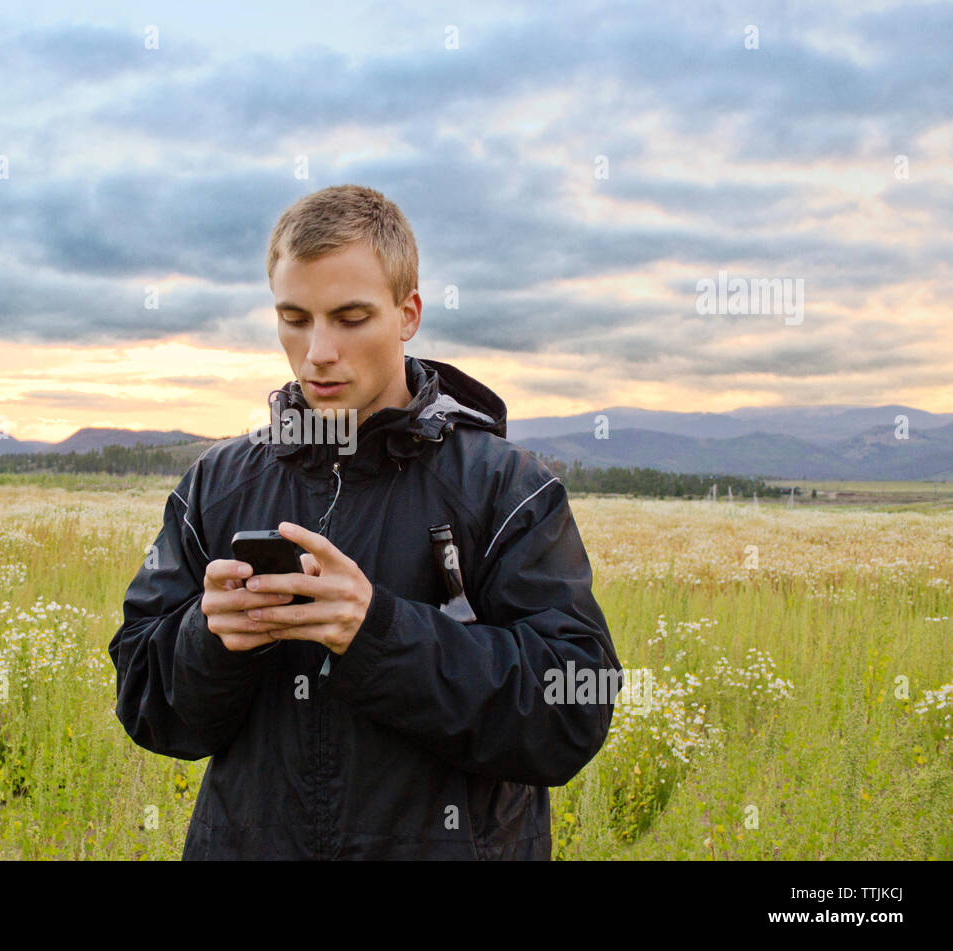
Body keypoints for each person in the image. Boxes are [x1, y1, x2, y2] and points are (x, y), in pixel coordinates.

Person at [109, 184, 622, 859]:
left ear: (406, 314)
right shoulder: (218, 483)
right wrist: (210, 639)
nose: (318, 349)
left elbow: (573, 709)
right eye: (294, 317)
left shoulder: (507, 488)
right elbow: (144, 699)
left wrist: (377, 631)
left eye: (350, 317)